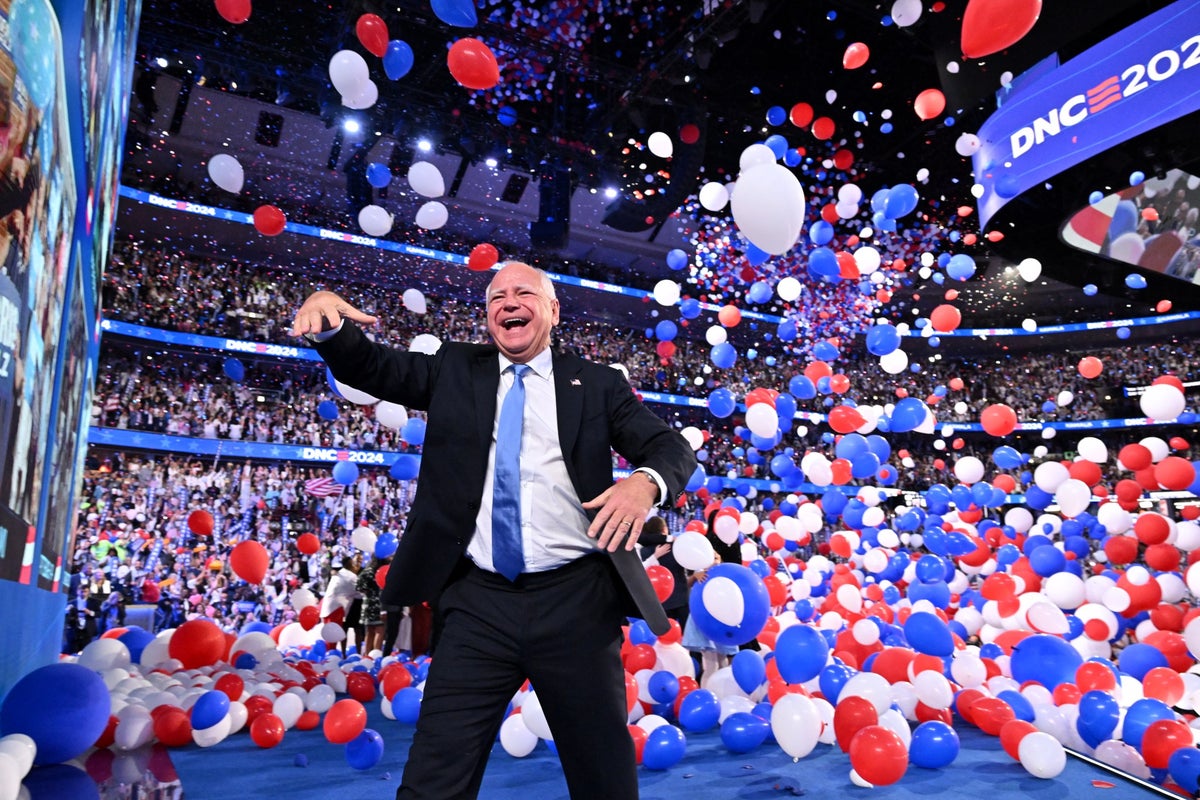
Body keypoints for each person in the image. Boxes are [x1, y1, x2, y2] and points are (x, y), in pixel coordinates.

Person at [291, 261, 696, 800]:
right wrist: (334, 329)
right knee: (434, 776)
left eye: (524, 292)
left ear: (552, 310)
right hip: (478, 604)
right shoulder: (454, 367)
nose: (509, 301)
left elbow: (672, 448)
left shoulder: (597, 384)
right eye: (496, 295)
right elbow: (375, 369)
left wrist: (644, 484)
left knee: (604, 779)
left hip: (576, 602)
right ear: (488, 316)